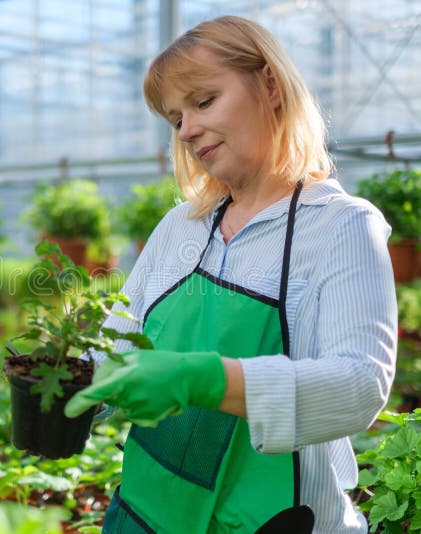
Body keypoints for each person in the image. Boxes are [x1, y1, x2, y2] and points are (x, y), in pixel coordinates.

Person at [65, 15, 397, 534]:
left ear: (269, 84)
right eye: (175, 118)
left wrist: (205, 379)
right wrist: (66, 379)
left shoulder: (340, 226)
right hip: (151, 512)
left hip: (274, 519)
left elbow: (359, 385)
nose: (188, 130)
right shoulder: (182, 226)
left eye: (203, 101)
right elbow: (121, 340)